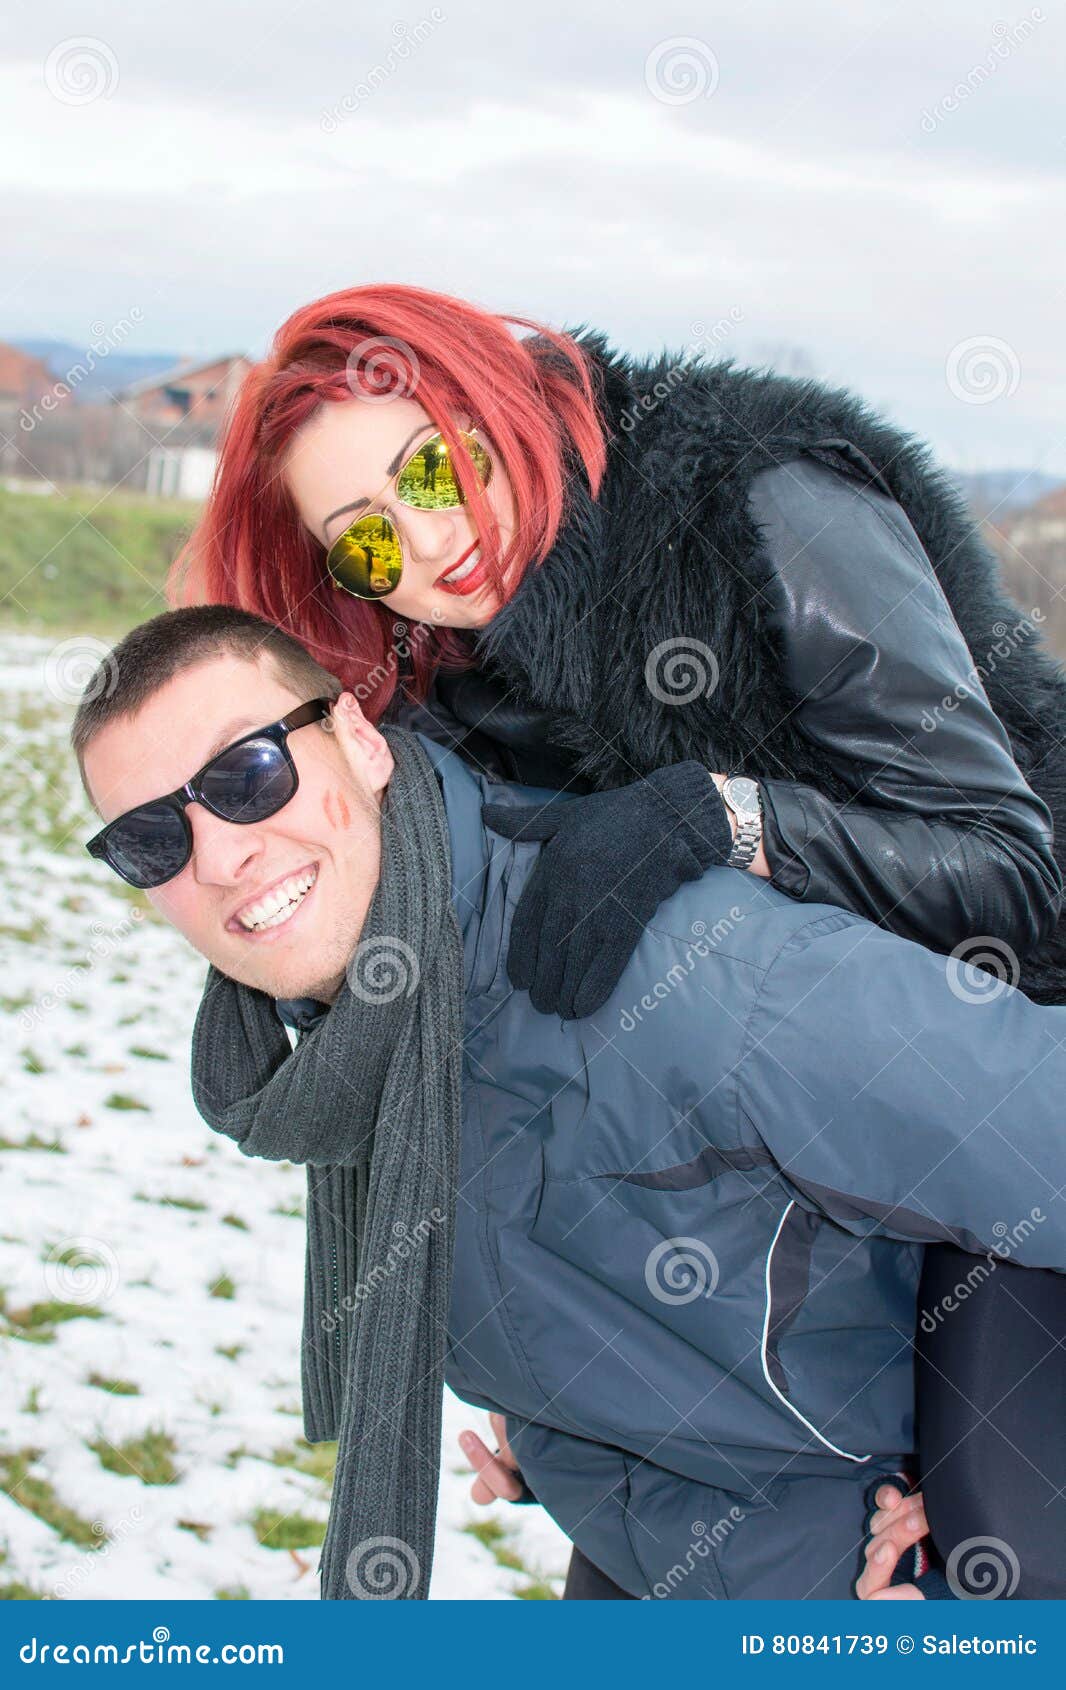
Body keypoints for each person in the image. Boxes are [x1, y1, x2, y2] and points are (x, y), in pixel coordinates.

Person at [167, 283, 1066, 1597]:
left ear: (495, 395)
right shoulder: (459, 680)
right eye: (364, 543)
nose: (426, 541)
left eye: (433, 465)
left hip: (1011, 1068)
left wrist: (729, 817)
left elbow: (1013, 877)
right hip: (820, 1119)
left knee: (992, 1546)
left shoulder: (757, 497)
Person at [72, 605, 1066, 1602]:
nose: (218, 858)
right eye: (152, 839)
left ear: (361, 742)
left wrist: (1015, 1496)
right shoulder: (343, 1057)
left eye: (247, 774)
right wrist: (551, 1428)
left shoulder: (692, 976)